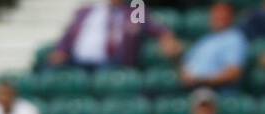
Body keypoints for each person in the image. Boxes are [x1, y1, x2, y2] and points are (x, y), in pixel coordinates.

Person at [48, 0, 181, 69]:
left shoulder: (133, 11)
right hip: (76, 61)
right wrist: (61, 50)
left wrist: (166, 37)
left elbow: (156, 28)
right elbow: (69, 34)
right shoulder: (87, 11)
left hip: (112, 64)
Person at [180, 2, 248, 89]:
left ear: (232, 17)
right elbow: (186, 68)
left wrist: (202, 80)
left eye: (223, 14)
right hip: (194, 90)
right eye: (216, 13)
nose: (219, 17)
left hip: (217, 92)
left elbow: (234, 74)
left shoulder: (235, 39)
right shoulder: (205, 40)